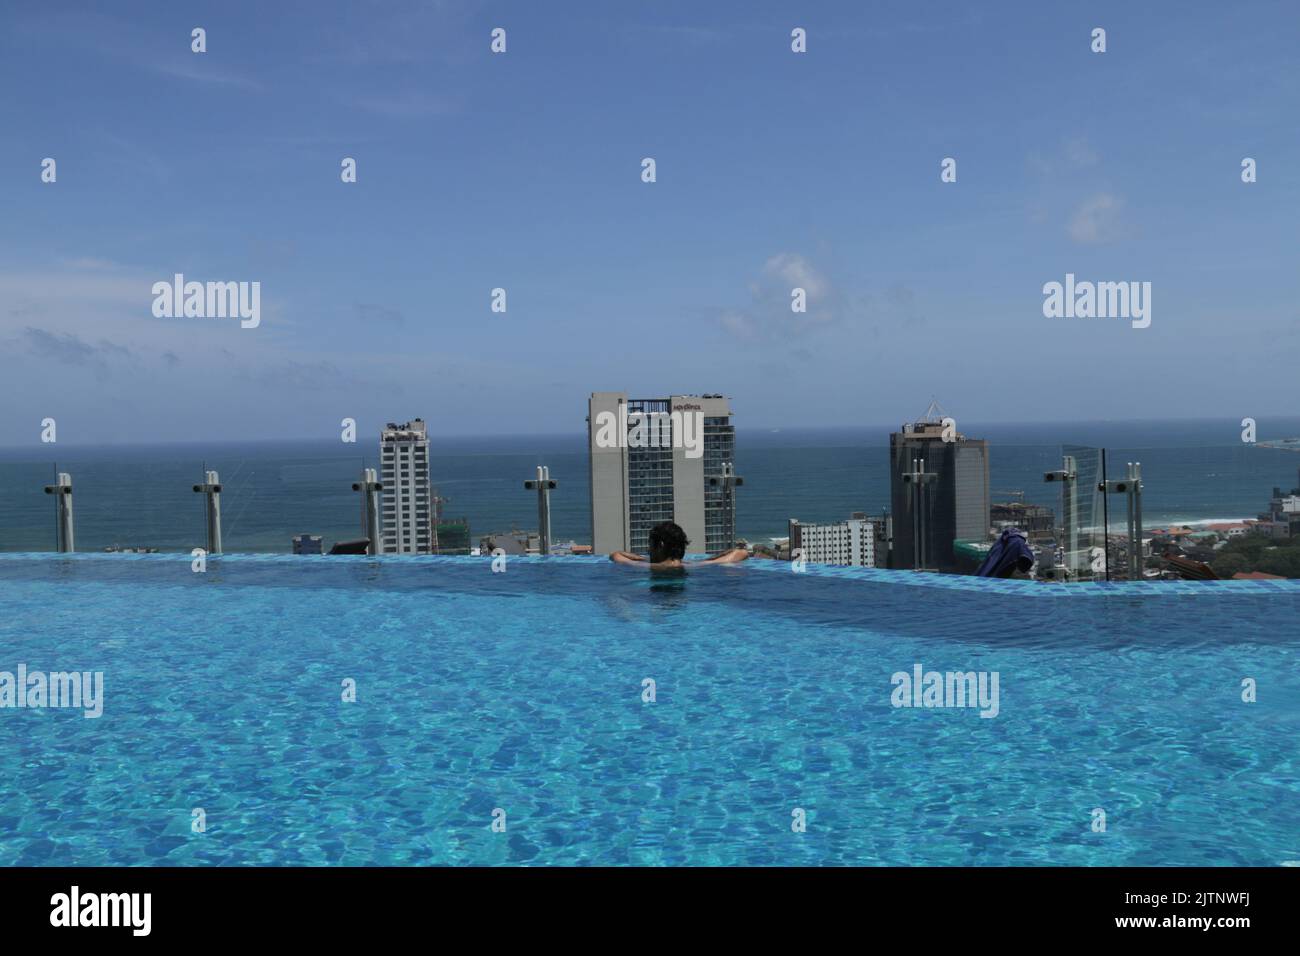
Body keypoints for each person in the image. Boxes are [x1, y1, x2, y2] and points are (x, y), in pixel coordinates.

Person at [609, 520, 749, 570]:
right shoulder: (695, 565)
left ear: (661, 545)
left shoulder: (646, 566)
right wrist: (710, 559)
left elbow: (616, 555)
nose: (648, 550)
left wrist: (642, 559)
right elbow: (741, 553)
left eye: (651, 545)